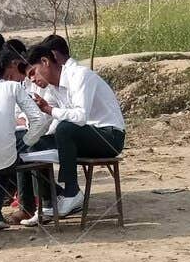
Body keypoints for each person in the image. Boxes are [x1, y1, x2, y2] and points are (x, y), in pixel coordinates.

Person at [21, 42, 125, 218]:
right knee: (33, 145)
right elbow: (47, 122)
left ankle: (72, 192)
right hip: (79, 138)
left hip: (109, 137)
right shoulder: (52, 88)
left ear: (45, 62)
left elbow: (80, 116)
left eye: (33, 72)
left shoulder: (80, 75)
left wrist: (49, 109)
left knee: (65, 128)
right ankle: (49, 202)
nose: (32, 79)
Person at [0, 44, 50, 230]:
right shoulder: (13, 86)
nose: (8, 80)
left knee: (0, 156)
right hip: (16, 139)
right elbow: (35, 119)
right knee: (9, 155)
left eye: (9, 76)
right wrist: (24, 137)